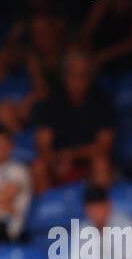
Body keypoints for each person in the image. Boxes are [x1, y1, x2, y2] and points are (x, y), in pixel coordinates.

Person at [31, 47, 116, 192]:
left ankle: (96, 210)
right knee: (39, 167)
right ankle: (46, 212)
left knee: (102, 164)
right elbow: (43, 143)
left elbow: (104, 145)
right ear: (65, 76)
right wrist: (58, 159)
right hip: (58, 160)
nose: (79, 79)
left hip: (87, 160)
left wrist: (72, 155)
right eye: (74, 74)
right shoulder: (51, 101)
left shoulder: (102, 102)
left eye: (84, 74)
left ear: (90, 76)